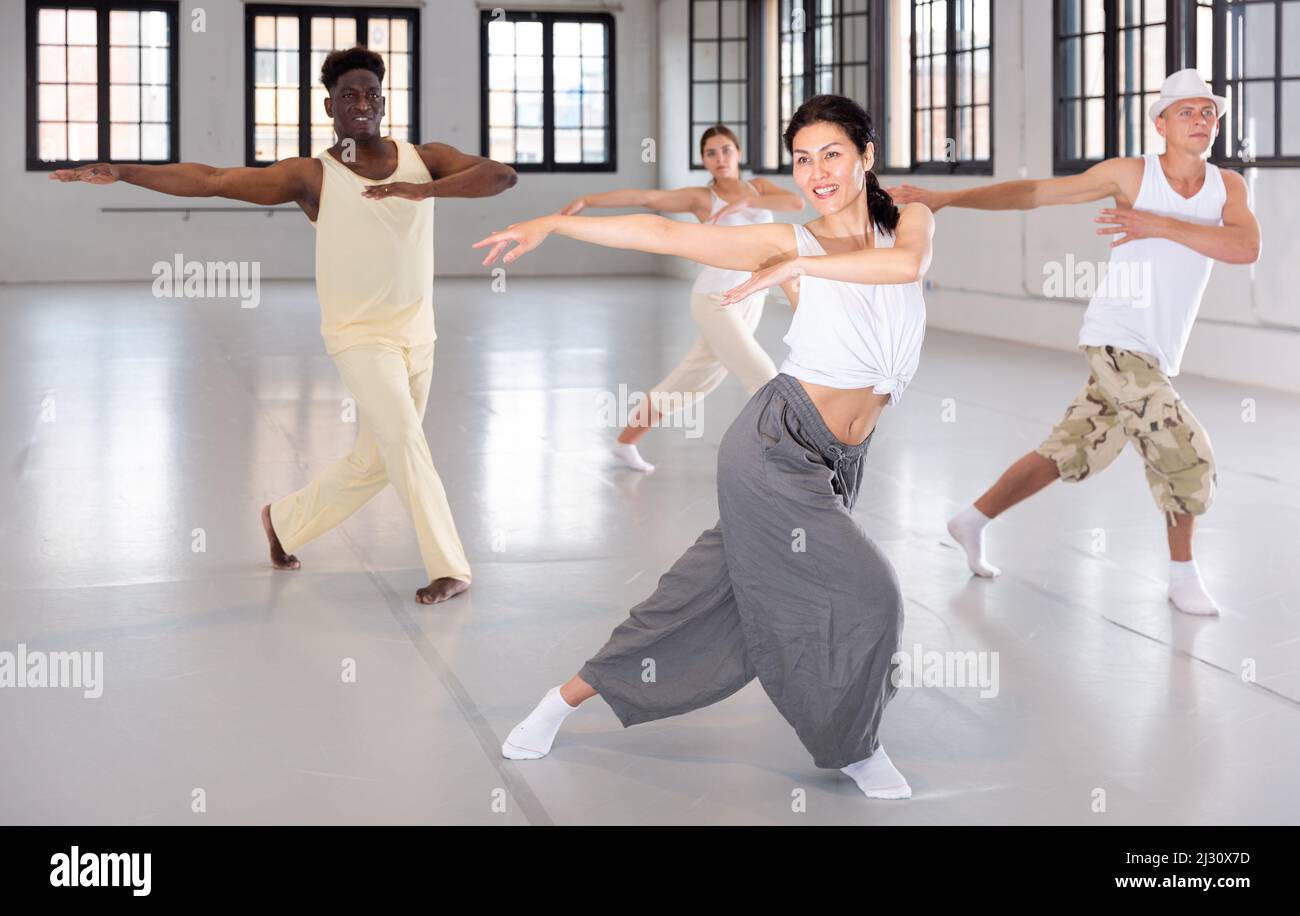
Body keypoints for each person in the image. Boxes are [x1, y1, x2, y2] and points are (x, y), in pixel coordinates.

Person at [477, 95, 932, 799]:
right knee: (872, 596)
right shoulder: (786, 241)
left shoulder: (909, 222)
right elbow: (661, 233)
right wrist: (557, 222)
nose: (817, 172)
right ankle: (854, 747)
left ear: (867, 157)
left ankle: (557, 703)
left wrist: (801, 274)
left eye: (833, 154)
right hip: (775, 449)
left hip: (839, 461)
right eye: (803, 158)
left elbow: (903, 268)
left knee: (702, 602)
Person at [52, 47, 518, 605]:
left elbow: (500, 175)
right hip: (359, 335)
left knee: (376, 460)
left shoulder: (426, 158)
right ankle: (450, 565)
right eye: (349, 95)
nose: (362, 103)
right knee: (406, 440)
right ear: (330, 107)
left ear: (384, 101)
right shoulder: (312, 174)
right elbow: (214, 179)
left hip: (419, 333)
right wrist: (124, 171)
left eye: (371, 93)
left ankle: (285, 522)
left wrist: (426, 189)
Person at [889, 69, 1261, 617]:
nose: (1202, 120)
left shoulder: (1228, 186)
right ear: (1160, 122)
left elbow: (1245, 246)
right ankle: (1183, 576)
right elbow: (1035, 193)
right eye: (1187, 111)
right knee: (1187, 455)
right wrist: (950, 197)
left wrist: (1158, 225)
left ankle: (971, 519)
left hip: (1156, 350)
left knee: (1067, 451)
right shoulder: (1131, 175)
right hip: (1115, 340)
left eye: (1209, 112)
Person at [558, 125, 803, 472]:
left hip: (752, 297)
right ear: (703, 160)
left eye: (726, 150)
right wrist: (588, 200)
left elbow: (795, 202)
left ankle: (624, 442)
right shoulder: (701, 198)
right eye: (711, 153)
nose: (720, 159)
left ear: (738, 153)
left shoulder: (759, 187)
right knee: (762, 373)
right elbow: (647, 198)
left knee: (691, 383)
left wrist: (747, 200)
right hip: (715, 299)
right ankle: (787, 463)